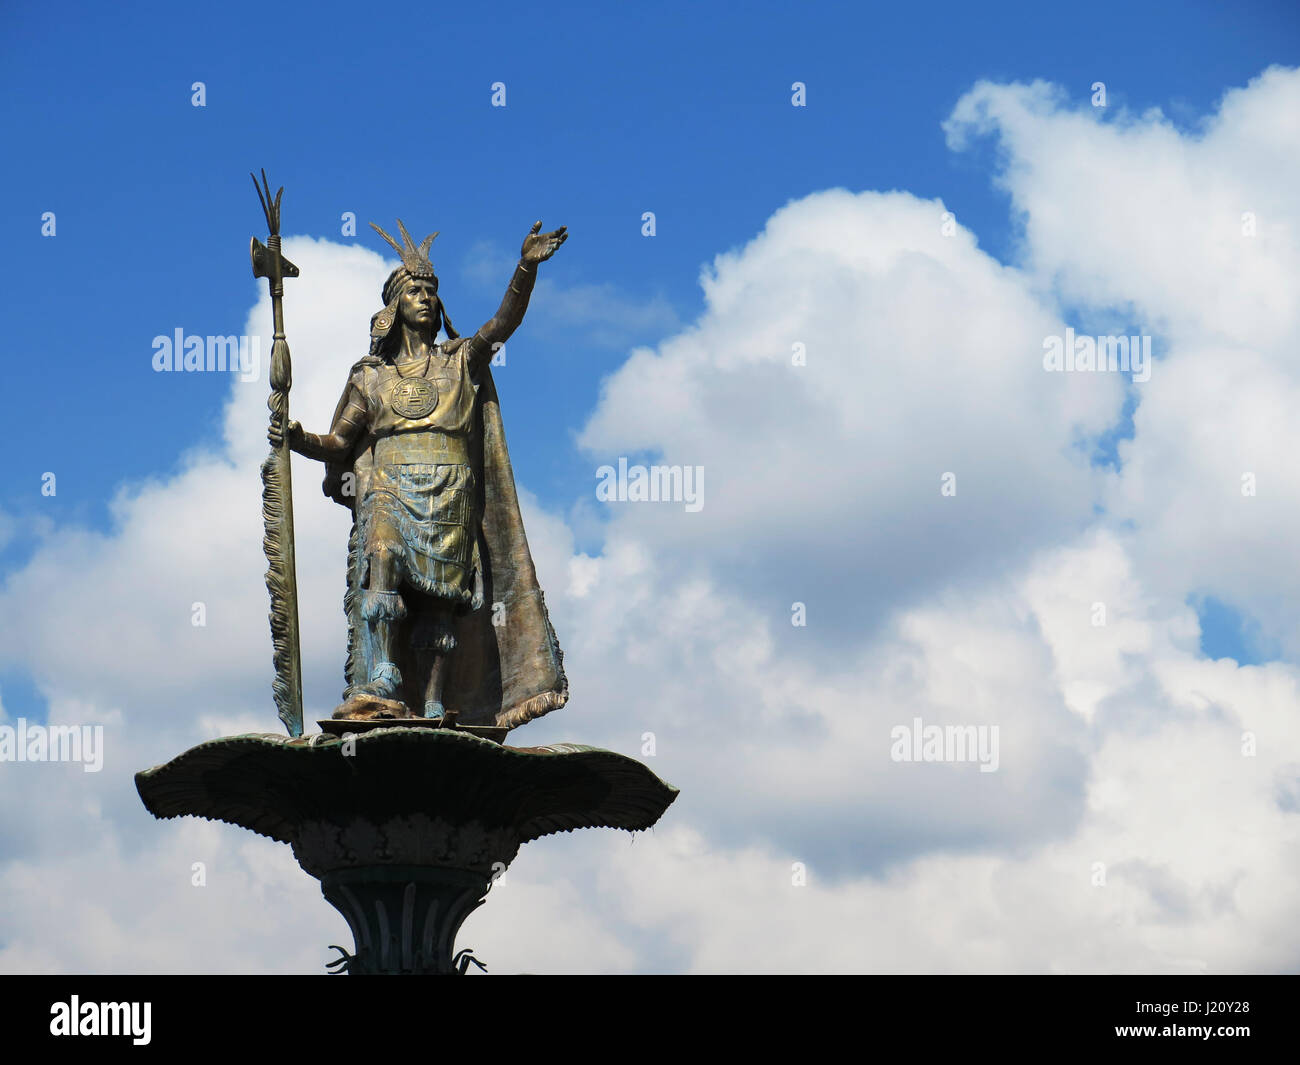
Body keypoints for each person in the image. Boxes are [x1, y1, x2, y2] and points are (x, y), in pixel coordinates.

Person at [274, 219, 569, 728]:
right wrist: (296, 436)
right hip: (389, 490)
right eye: (415, 290)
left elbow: (501, 325)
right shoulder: (370, 378)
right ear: (393, 306)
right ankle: (383, 673)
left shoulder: (460, 363)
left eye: (432, 290)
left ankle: (434, 704)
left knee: (439, 605)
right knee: (382, 552)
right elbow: (340, 443)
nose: (426, 298)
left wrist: (525, 267)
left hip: (451, 495)